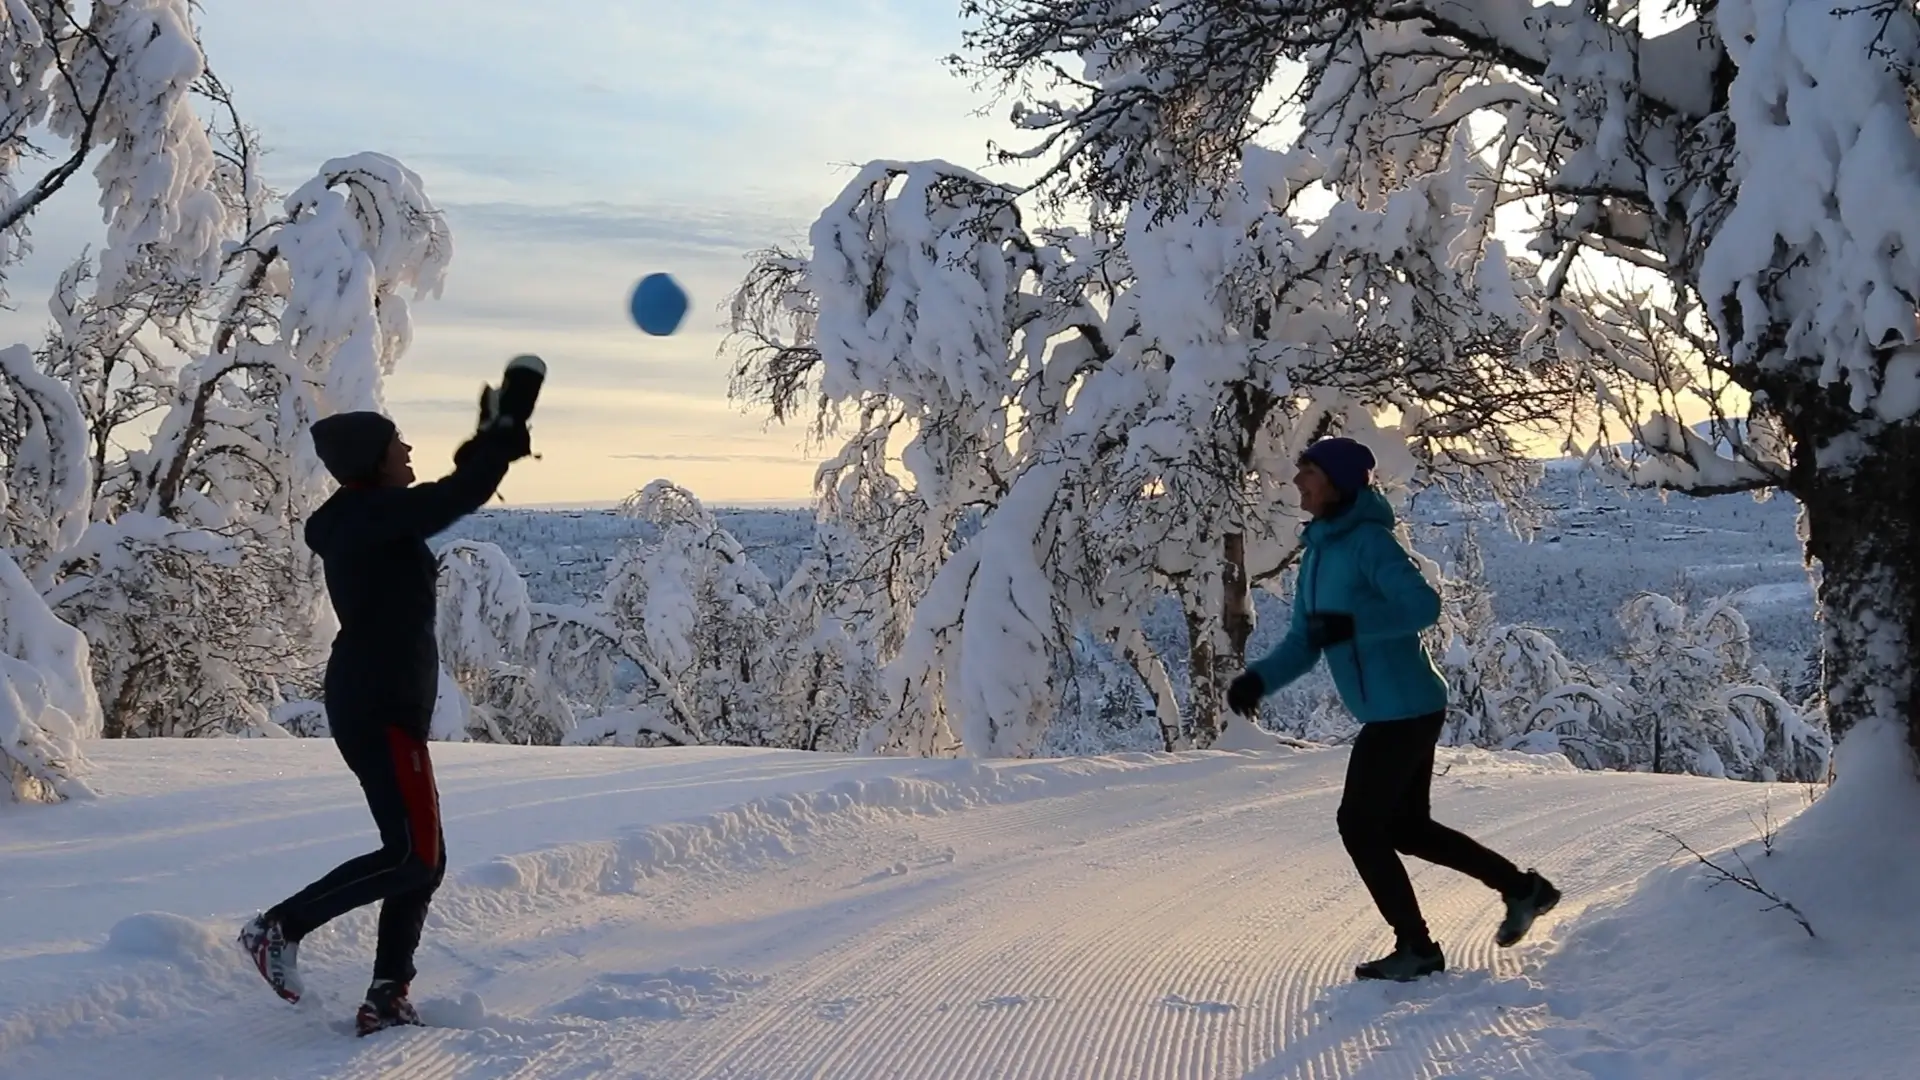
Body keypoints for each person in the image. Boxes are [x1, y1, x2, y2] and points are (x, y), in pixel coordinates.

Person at [238, 398, 530, 1035]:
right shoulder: (369, 514)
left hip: (379, 701)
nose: (408, 452)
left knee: (420, 855)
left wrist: (483, 447)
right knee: (413, 855)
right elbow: (451, 498)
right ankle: (279, 927)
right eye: (398, 444)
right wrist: (497, 445)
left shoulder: (366, 517)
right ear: (371, 459)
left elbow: (438, 496)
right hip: (379, 704)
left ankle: (387, 993)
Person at [1227, 436, 1559, 983]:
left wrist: (1353, 625)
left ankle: (1418, 947)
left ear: (1336, 482)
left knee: (1359, 825)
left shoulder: (1369, 544)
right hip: (1390, 710)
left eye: (1307, 472)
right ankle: (1524, 889)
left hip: (1405, 707)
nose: (1297, 483)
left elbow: (1421, 607)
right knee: (1407, 828)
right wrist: (1260, 680)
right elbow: (1307, 641)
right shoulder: (1320, 552)